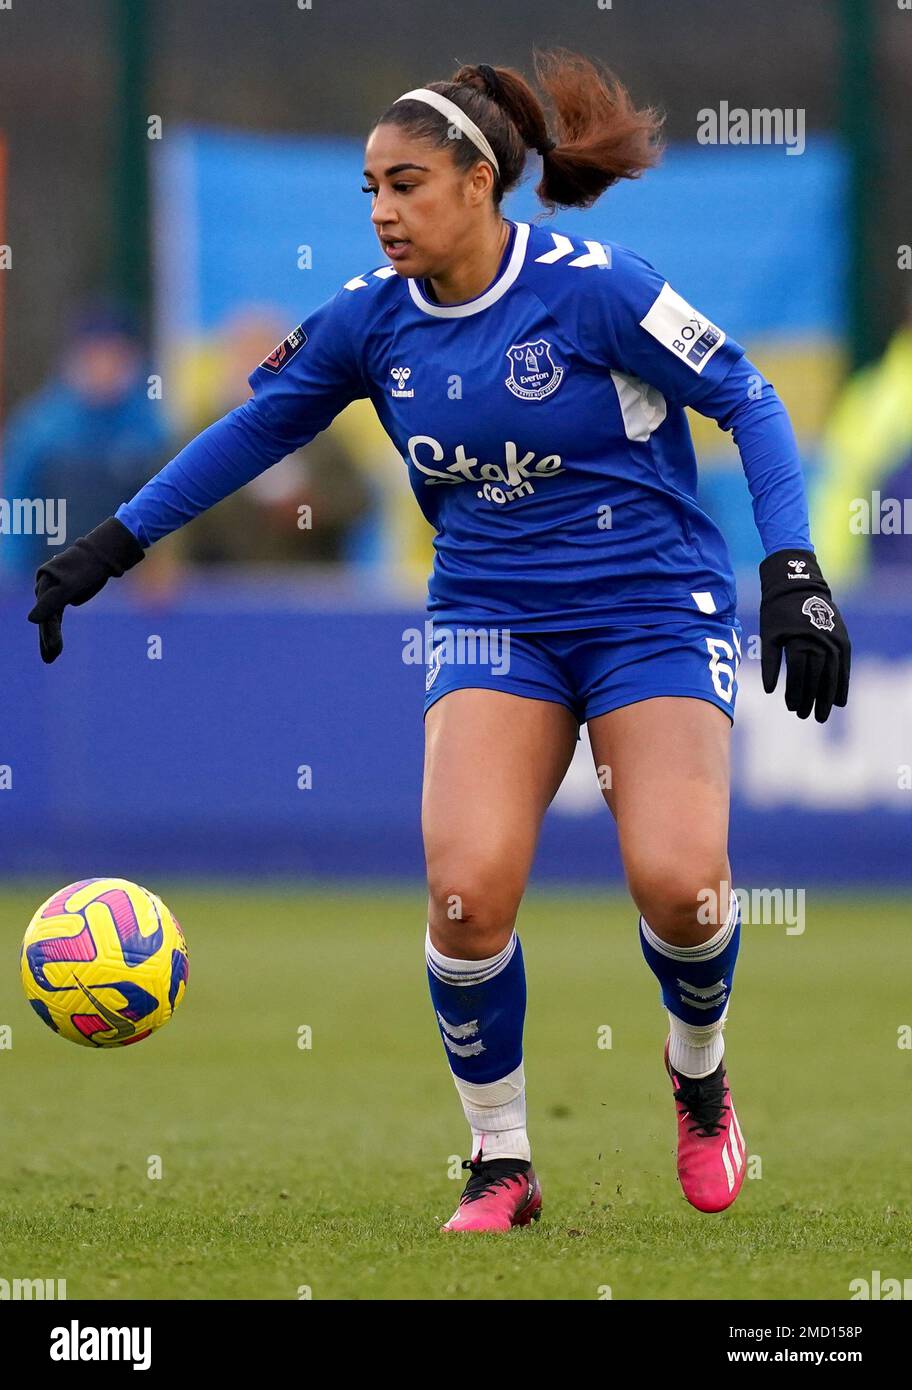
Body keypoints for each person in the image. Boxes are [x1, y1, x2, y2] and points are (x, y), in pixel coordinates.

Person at [28, 52, 851, 1234]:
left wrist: (793, 571)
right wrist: (108, 544)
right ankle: (501, 1163)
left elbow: (752, 400)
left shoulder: (597, 287)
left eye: (405, 184)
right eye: (369, 189)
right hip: (491, 618)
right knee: (466, 898)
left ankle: (700, 1071)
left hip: (649, 609)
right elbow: (256, 430)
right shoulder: (369, 321)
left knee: (682, 888)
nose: (381, 212)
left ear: (479, 183)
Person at [2, 301, 169, 578]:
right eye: (95, 356)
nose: (105, 368)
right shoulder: (39, 428)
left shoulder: (151, 428)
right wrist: (15, 579)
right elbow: (16, 508)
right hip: (53, 579)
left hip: (126, 589)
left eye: (115, 356)